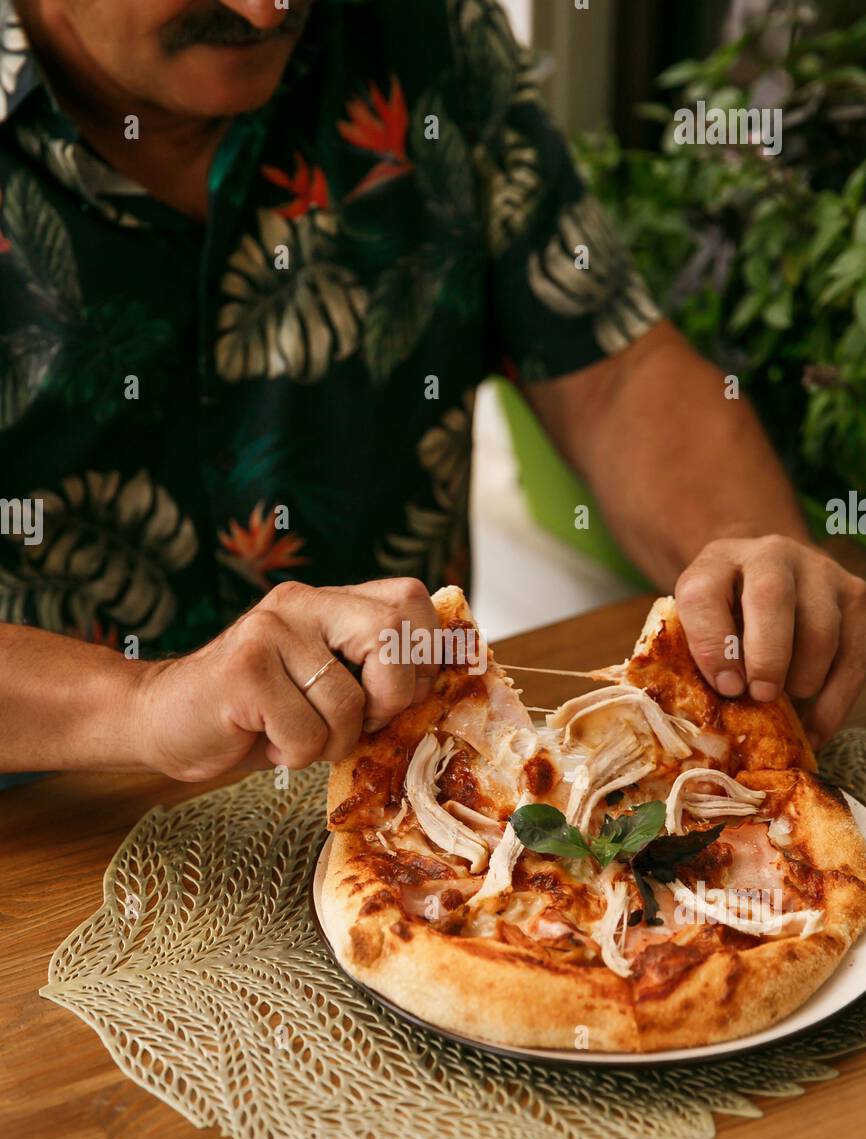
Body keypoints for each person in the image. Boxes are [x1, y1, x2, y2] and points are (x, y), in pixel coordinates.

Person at [0, 0, 863, 783]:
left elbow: (612, 370)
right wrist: (144, 702)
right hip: (45, 835)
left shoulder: (430, 28)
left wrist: (758, 575)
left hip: (434, 798)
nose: (268, 10)